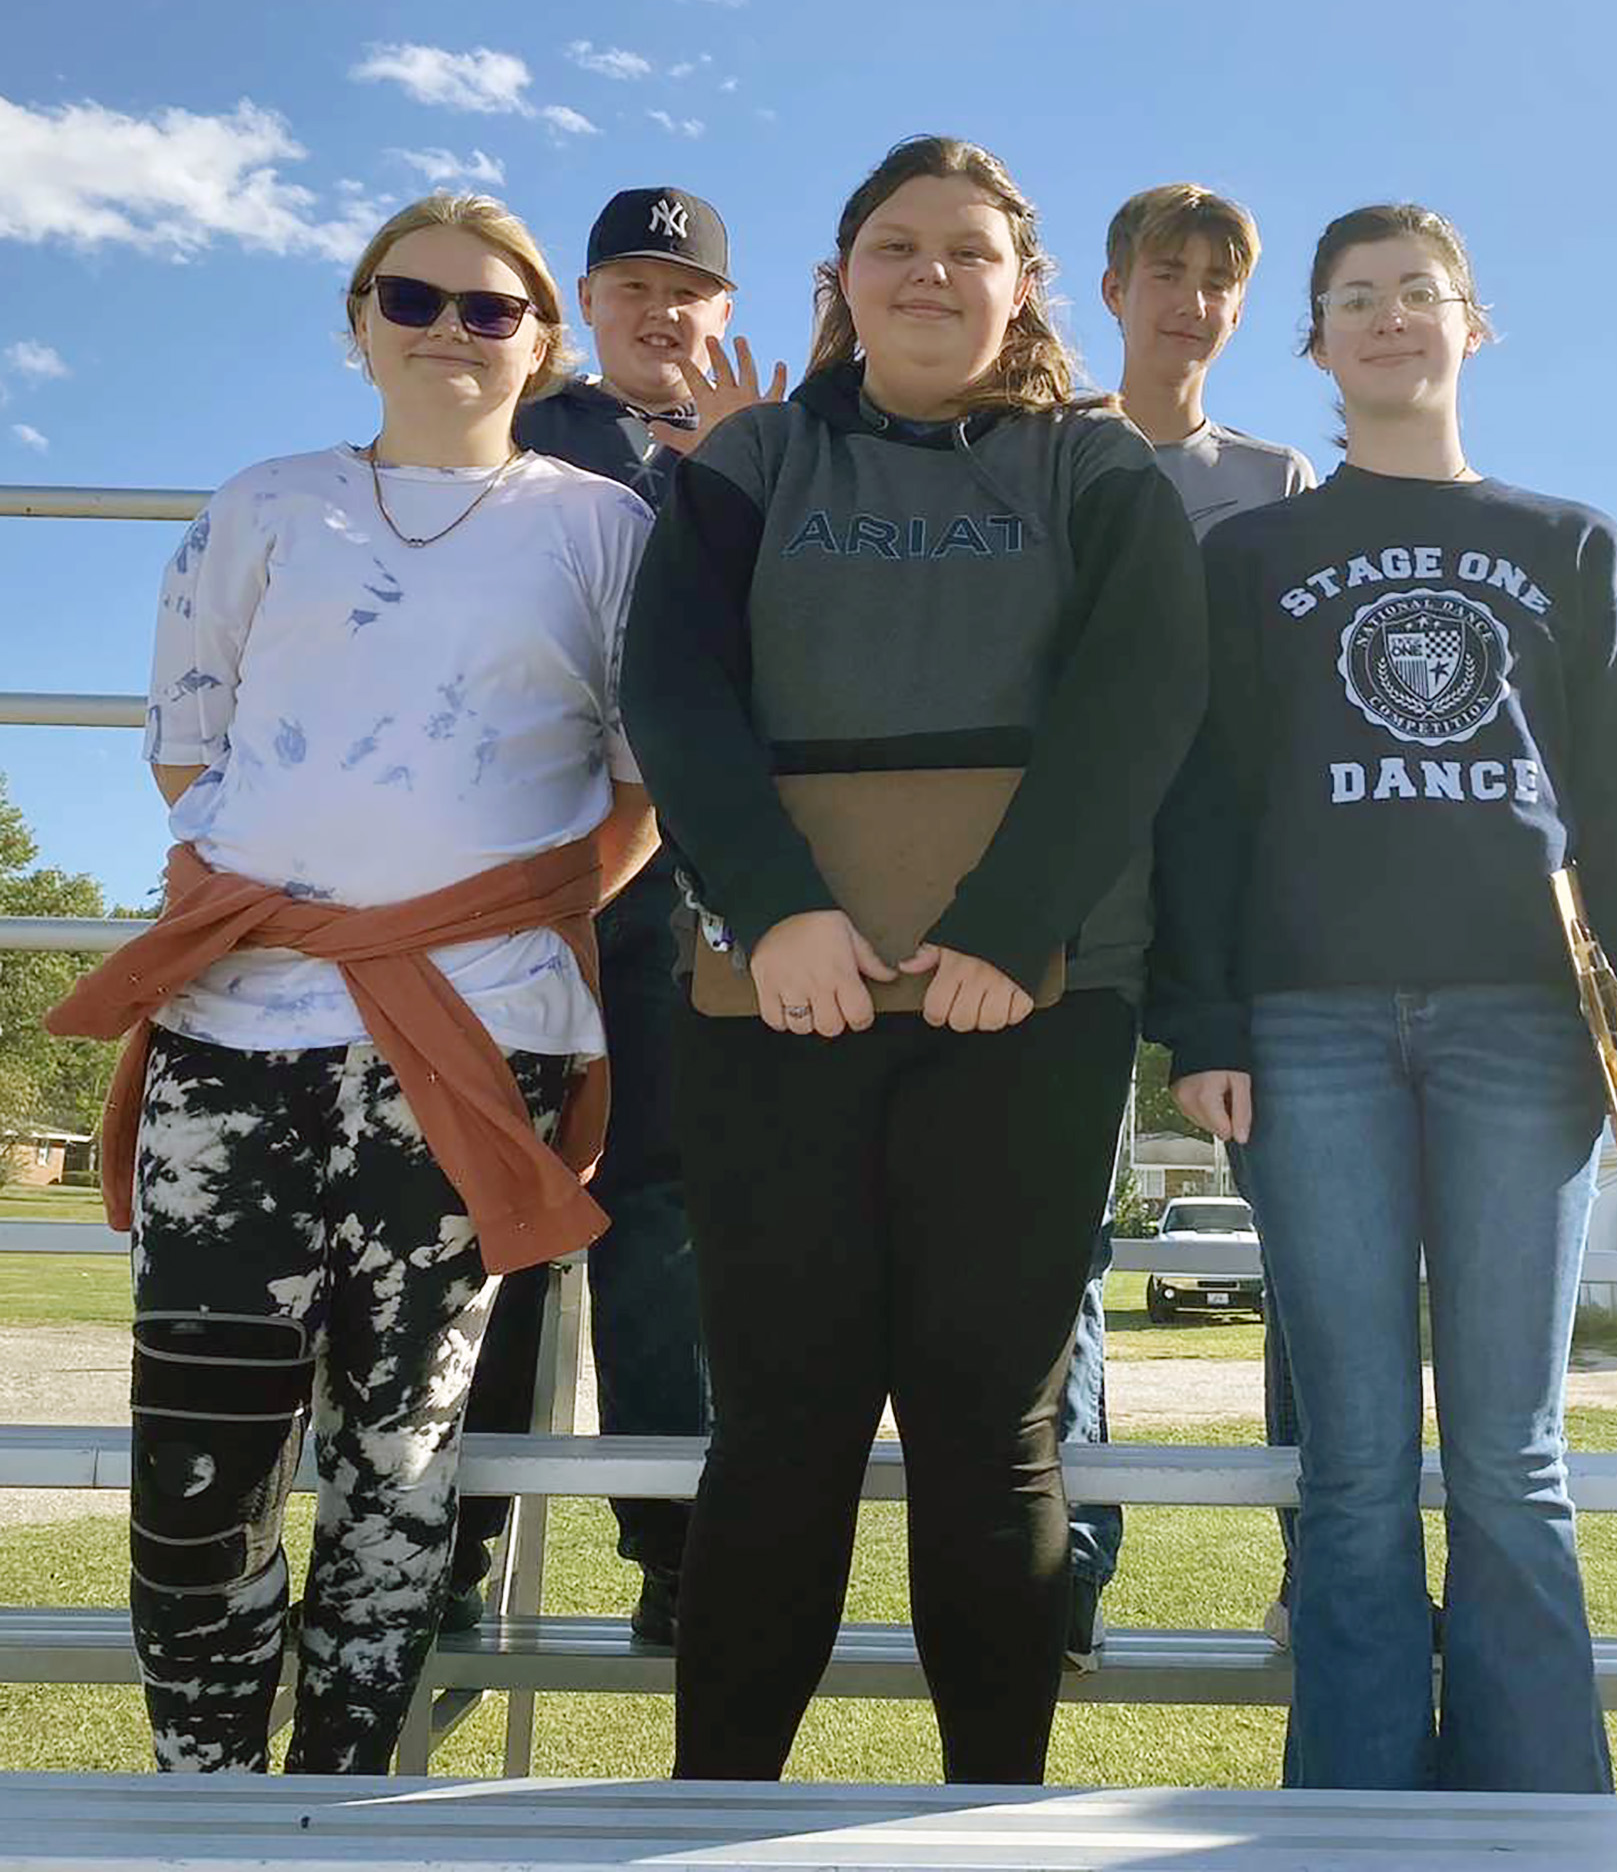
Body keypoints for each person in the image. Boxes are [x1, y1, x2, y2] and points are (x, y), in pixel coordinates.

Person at [621, 134, 1209, 1783]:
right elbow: (672, 690)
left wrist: (1007, 926)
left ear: (1021, 283)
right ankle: (714, 1815)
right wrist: (774, 907)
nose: (930, 273)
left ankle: (992, 1816)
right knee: (783, 1434)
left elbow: (1141, 701)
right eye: (894, 244)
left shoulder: (1095, 470)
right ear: (842, 278)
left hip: (1025, 999)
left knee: (987, 1435)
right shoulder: (750, 458)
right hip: (776, 1000)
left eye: (967, 248)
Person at [46, 192, 656, 1773]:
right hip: (238, 1030)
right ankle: (207, 1795)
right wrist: (325, 917)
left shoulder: (603, 530)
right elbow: (189, 746)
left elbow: (641, 788)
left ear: (544, 336)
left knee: (400, 1452)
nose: (450, 330)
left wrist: (496, 919)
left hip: (478, 1039)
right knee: (199, 1450)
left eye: (490, 307)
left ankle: (347, 1798)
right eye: (413, 299)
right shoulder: (261, 507)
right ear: (356, 322)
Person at [1147, 202, 1617, 1791]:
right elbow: (1199, 804)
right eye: (1354, 299)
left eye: (1418, 293)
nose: (1389, 317)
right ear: (1315, 344)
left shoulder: (1566, 543)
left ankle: (1540, 1814)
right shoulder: (1250, 554)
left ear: (1474, 325)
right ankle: (1354, 1805)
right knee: (1346, 1463)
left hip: (1523, 1034)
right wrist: (1204, 1023)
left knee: (1508, 1458)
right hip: (1307, 1034)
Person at [446, 185, 784, 1649]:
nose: (660, 309)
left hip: (687, 898)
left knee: (662, 1227)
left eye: (686, 287)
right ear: (584, 299)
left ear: (725, 307)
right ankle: (450, 1538)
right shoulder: (527, 427)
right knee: (490, 1219)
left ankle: (672, 1544)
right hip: (515, 872)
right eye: (632, 283)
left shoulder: (773, 451)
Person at [1061, 181, 1314, 1670]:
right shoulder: (1044, 452)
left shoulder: (1274, 477)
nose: (1193, 298)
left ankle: (1317, 1565)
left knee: (1306, 1241)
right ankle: (1069, 1566)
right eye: (1168, 270)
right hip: (1073, 895)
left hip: (1230, 904)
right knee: (1063, 1245)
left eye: (1220, 279)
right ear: (1112, 287)